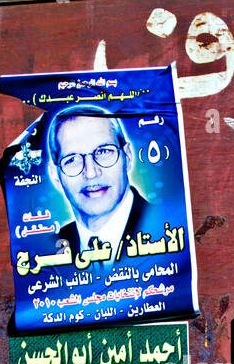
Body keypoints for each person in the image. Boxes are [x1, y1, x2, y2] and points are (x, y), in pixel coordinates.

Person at [45, 105, 158, 262]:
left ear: (128, 156)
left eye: (103, 151)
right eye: (72, 160)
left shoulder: (166, 227)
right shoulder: (46, 250)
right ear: (55, 175)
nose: (91, 173)